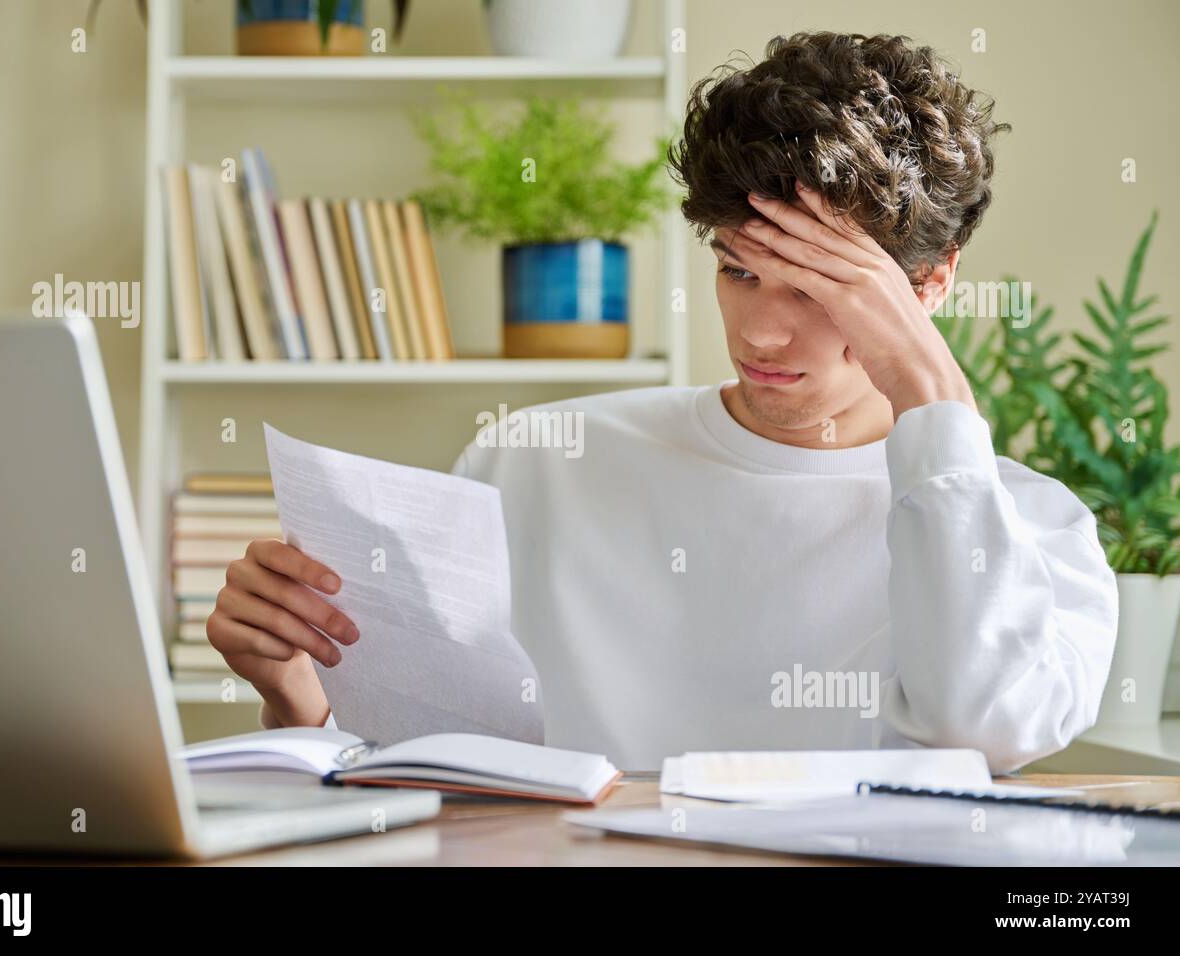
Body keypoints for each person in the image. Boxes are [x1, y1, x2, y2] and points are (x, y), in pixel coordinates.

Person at [206, 32, 1117, 772]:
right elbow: (414, 774)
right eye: (738, 270)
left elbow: (984, 728)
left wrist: (930, 393)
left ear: (930, 285)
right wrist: (299, 691)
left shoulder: (1033, 533)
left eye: (814, 289)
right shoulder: (536, 459)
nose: (761, 331)